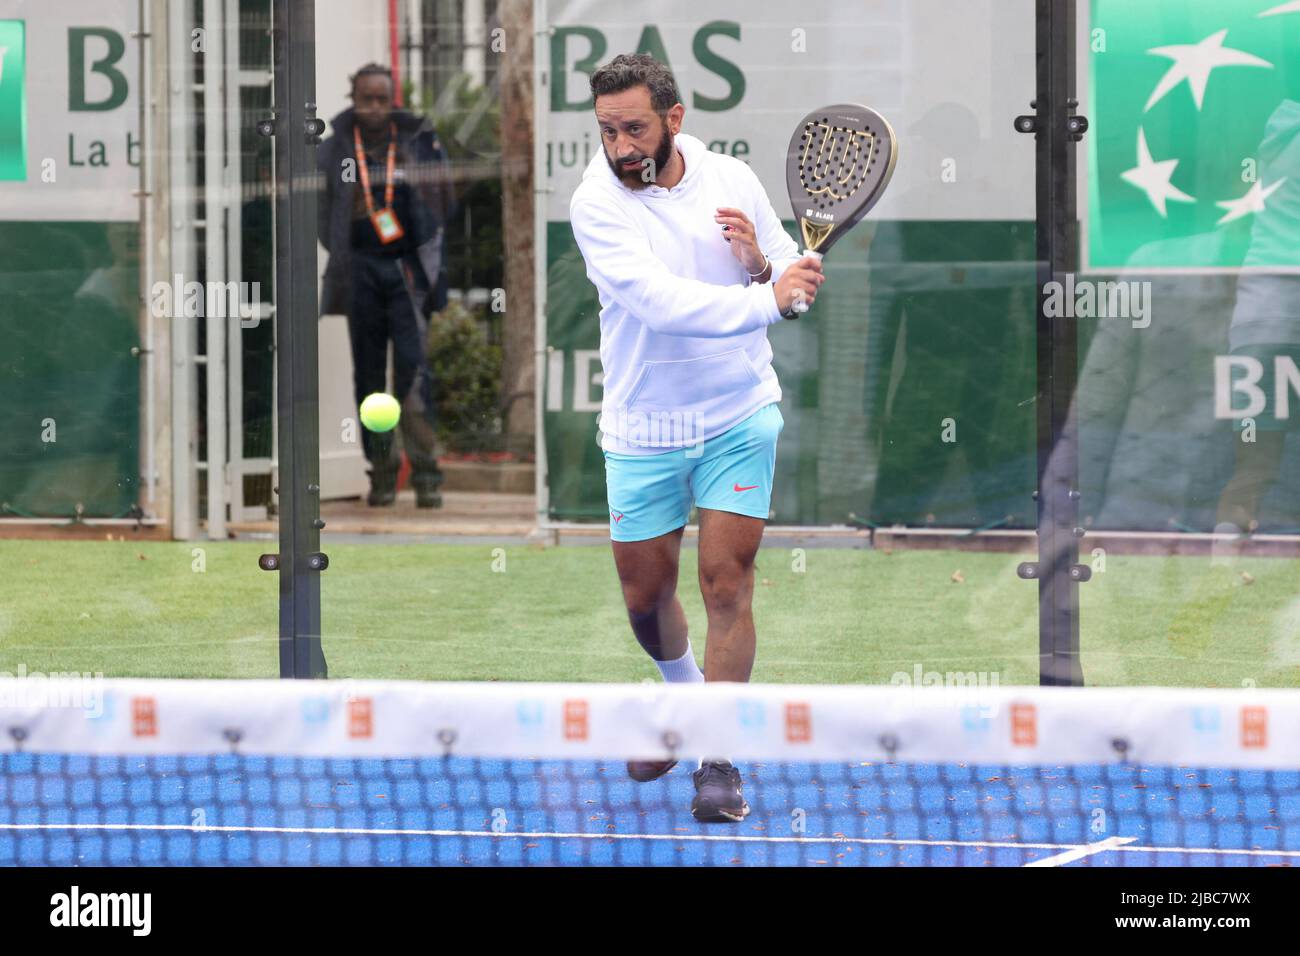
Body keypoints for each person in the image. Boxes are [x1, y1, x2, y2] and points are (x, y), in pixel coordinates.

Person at [568, 53, 824, 823]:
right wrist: (767, 302)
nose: (621, 147)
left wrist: (759, 266)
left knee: (726, 581)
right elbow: (657, 301)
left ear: (674, 119)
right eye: (608, 129)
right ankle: (684, 703)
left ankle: (718, 754)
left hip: (737, 414)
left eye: (635, 128)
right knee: (646, 599)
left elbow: (782, 270)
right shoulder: (596, 201)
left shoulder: (731, 179)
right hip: (645, 424)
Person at [317, 63, 452, 508]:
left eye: (381, 99)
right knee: (370, 380)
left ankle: (428, 475)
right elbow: (319, 210)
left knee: (414, 376)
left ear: (392, 101)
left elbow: (442, 198)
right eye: (365, 99)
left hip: (406, 270)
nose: (373, 108)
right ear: (352, 98)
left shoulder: (416, 141)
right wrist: (345, 236)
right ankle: (382, 474)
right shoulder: (335, 145)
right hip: (360, 271)